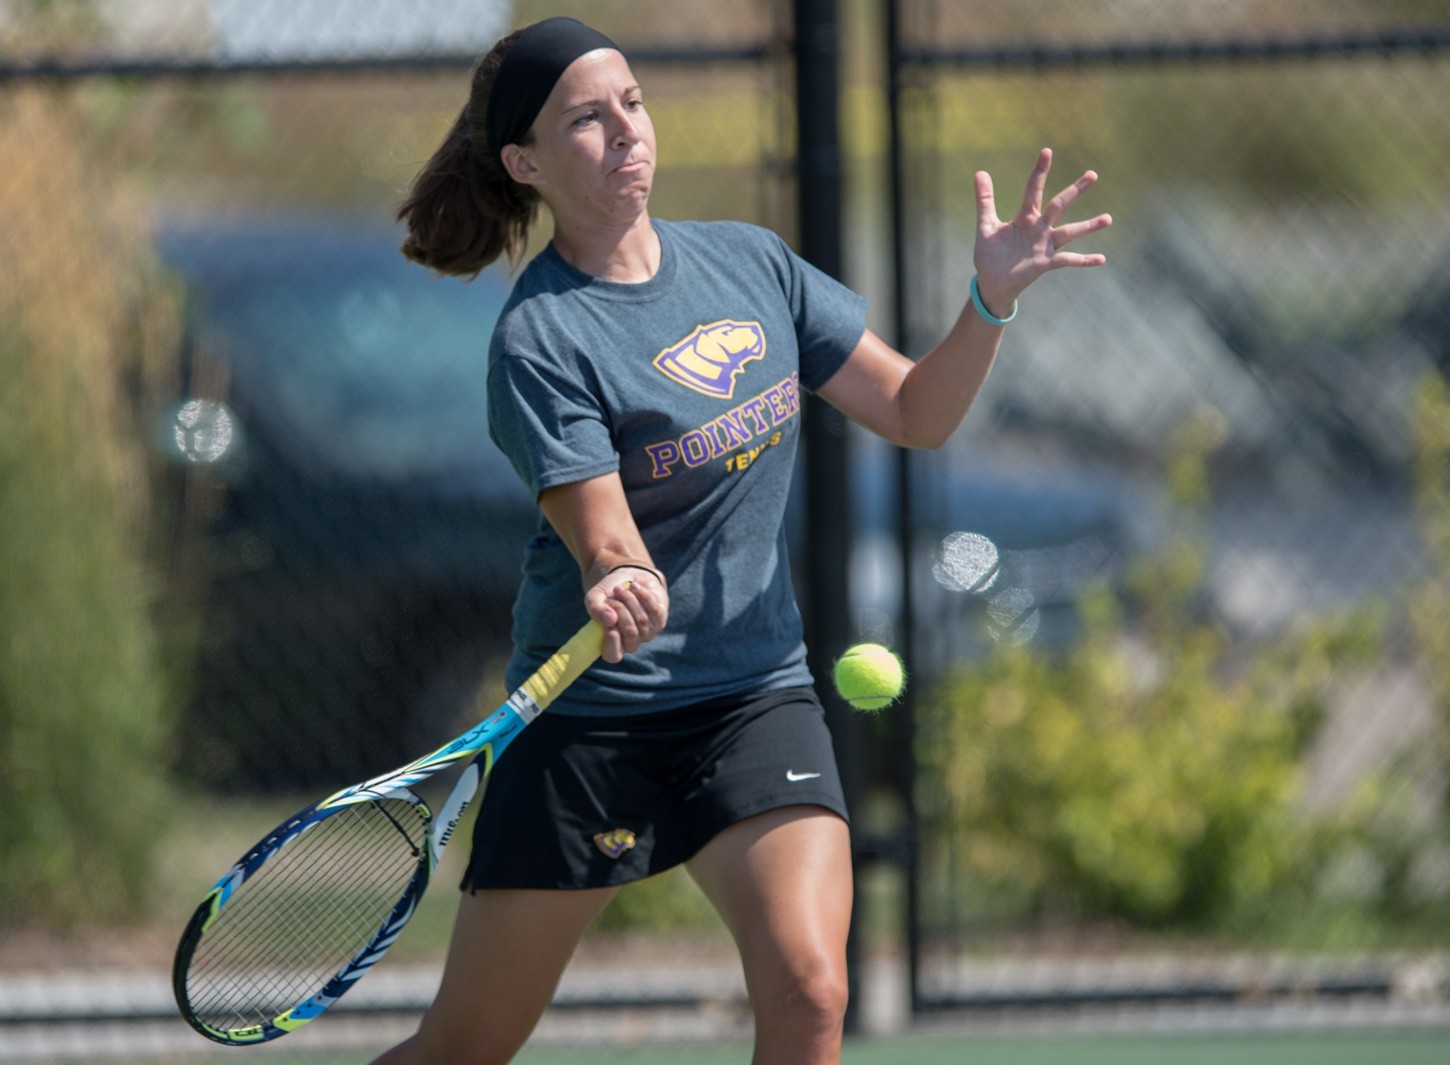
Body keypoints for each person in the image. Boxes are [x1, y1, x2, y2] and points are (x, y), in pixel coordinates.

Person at [376, 15, 1109, 1065]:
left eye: (631, 101)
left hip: (752, 699)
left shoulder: (750, 265)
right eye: (587, 118)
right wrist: (619, 575)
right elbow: (602, 532)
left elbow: (913, 410)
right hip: (594, 720)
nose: (625, 130)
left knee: (812, 991)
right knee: (465, 1047)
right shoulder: (541, 337)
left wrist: (987, 304)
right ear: (524, 162)